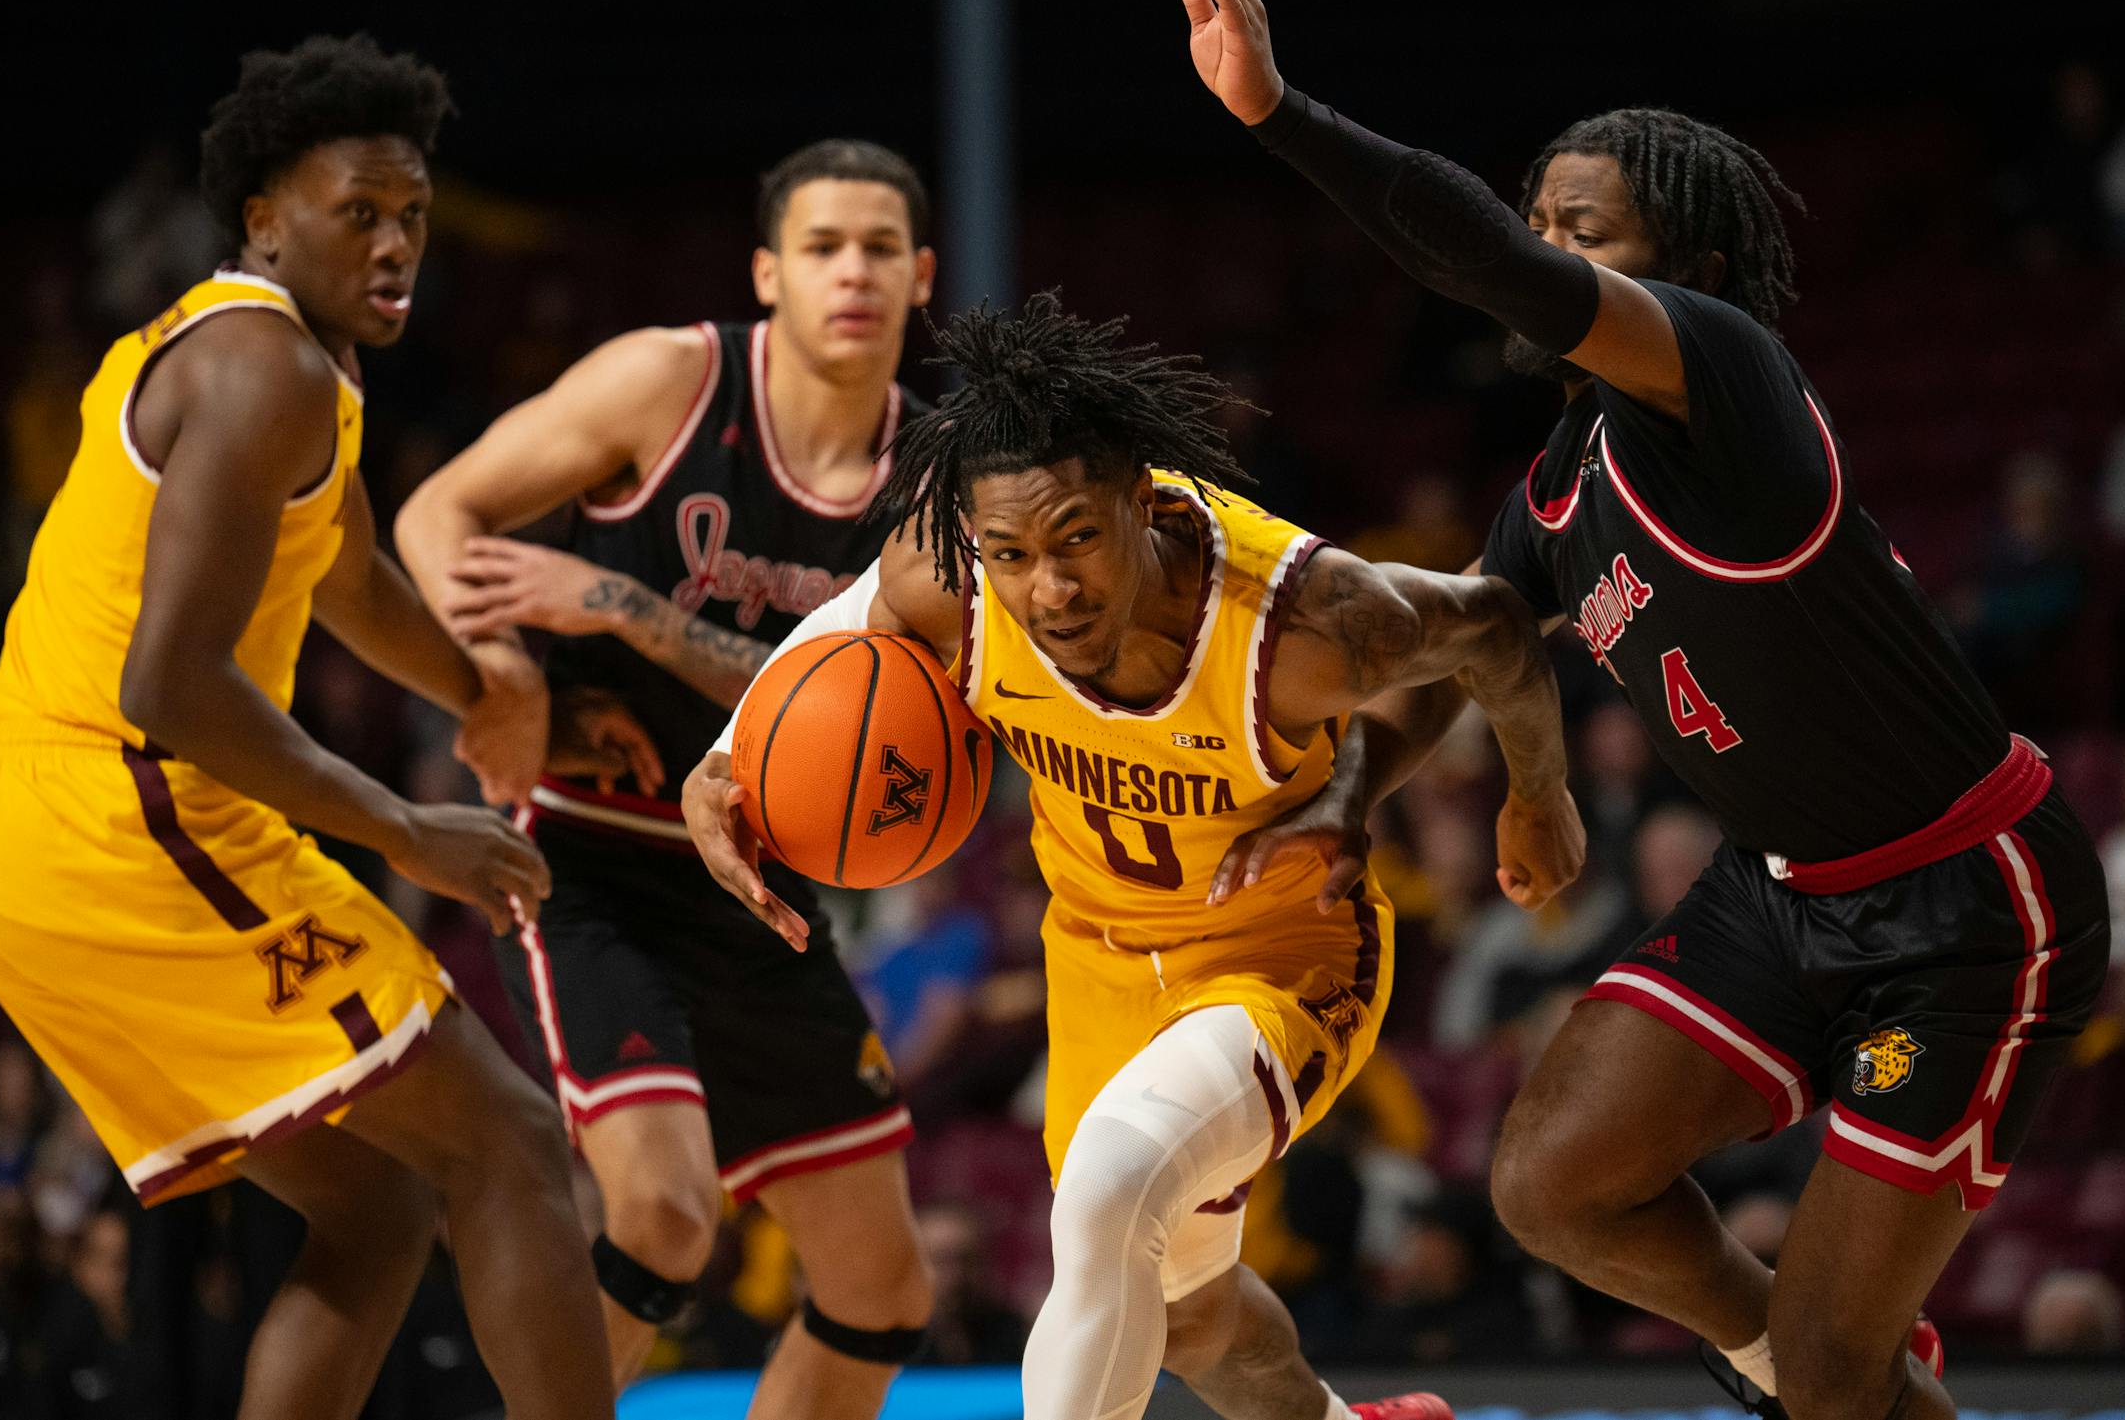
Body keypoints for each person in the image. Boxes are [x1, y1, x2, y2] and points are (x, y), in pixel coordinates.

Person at [1177, 0, 2112, 1420]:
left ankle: (1827, 1370)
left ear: (1695, 267)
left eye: (1582, 229)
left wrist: (1282, 116)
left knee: (1829, 1370)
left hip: (1965, 900)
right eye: (1541, 216)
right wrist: (1339, 800)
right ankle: (1812, 1367)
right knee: (1555, 1185)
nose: (1546, 249)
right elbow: (1465, 650)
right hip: (1784, 887)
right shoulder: (1555, 484)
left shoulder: (1724, 378)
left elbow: (1474, 254)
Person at [679, 294, 1585, 1420]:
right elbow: (850, 615)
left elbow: (1495, 627)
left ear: (1143, 504)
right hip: (1099, 957)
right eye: (1011, 552)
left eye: (1076, 539)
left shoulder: (1300, 621)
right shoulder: (958, 578)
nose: (1048, 588)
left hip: (1281, 955)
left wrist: (1535, 795)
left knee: (1108, 1192)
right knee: (1188, 1306)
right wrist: (721, 761)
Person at [0, 35, 612, 1420]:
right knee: (513, 1147)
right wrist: (408, 829)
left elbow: (348, 580)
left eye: (411, 215)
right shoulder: (265, 370)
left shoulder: (275, 357)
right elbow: (168, 686)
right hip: (115, 806)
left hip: (25, 824)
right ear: (263, 221)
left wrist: (495, 698)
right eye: (357, 212)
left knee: (377, 1208)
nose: (395, 243)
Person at [395, 140, 937, 1412]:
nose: (849, 271)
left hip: (762, 880)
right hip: (592, 853)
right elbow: (434, 512)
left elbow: (853, 706)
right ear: (768, 273)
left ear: (921, 277)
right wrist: (502, 671)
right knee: (663, 1211)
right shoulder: (671, 381)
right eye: (820, 247)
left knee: (885, 1289)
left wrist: (633, 612)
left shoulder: (934, 483)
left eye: (876, 249)